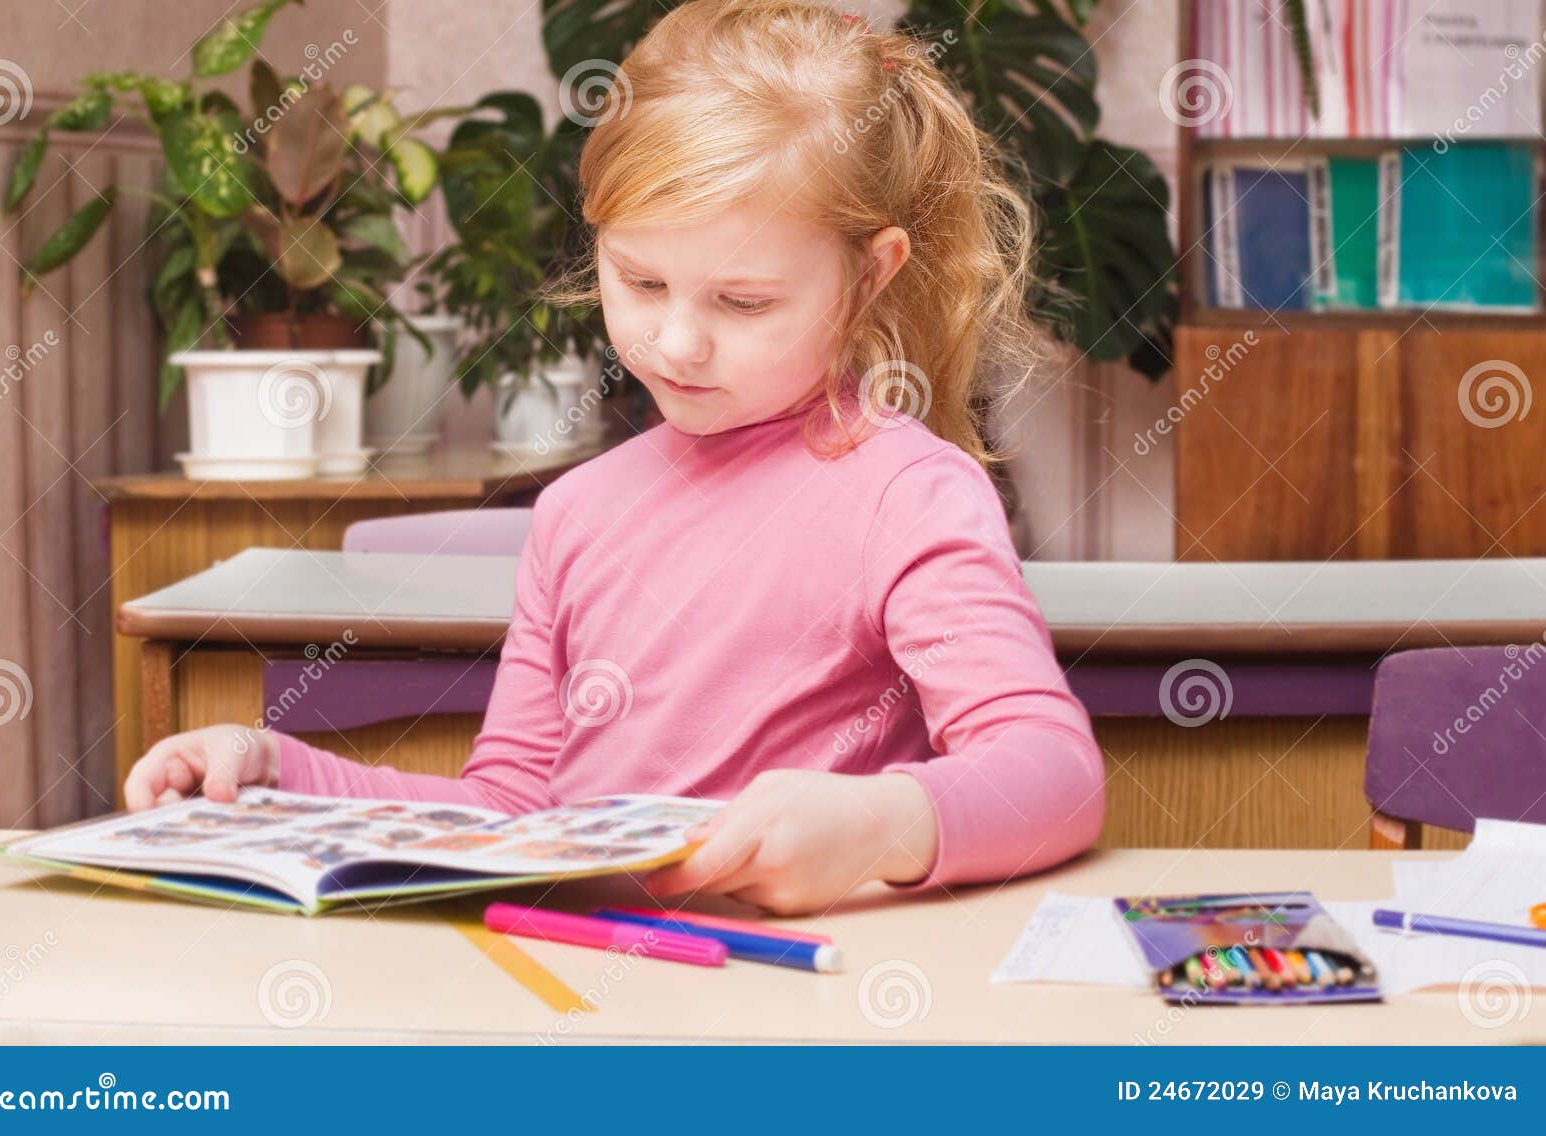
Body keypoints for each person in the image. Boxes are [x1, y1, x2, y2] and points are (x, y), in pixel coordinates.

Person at [124, 0, 1105, 915]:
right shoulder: (578, 511)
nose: (676, 343)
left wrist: (877, 822)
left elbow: (1053, 771)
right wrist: (276, 769)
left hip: (795, 1000)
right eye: (639, 279)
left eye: (744, 302)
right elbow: (512, 804)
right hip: (572, 992)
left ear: (870, 271)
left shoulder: (909, 494)